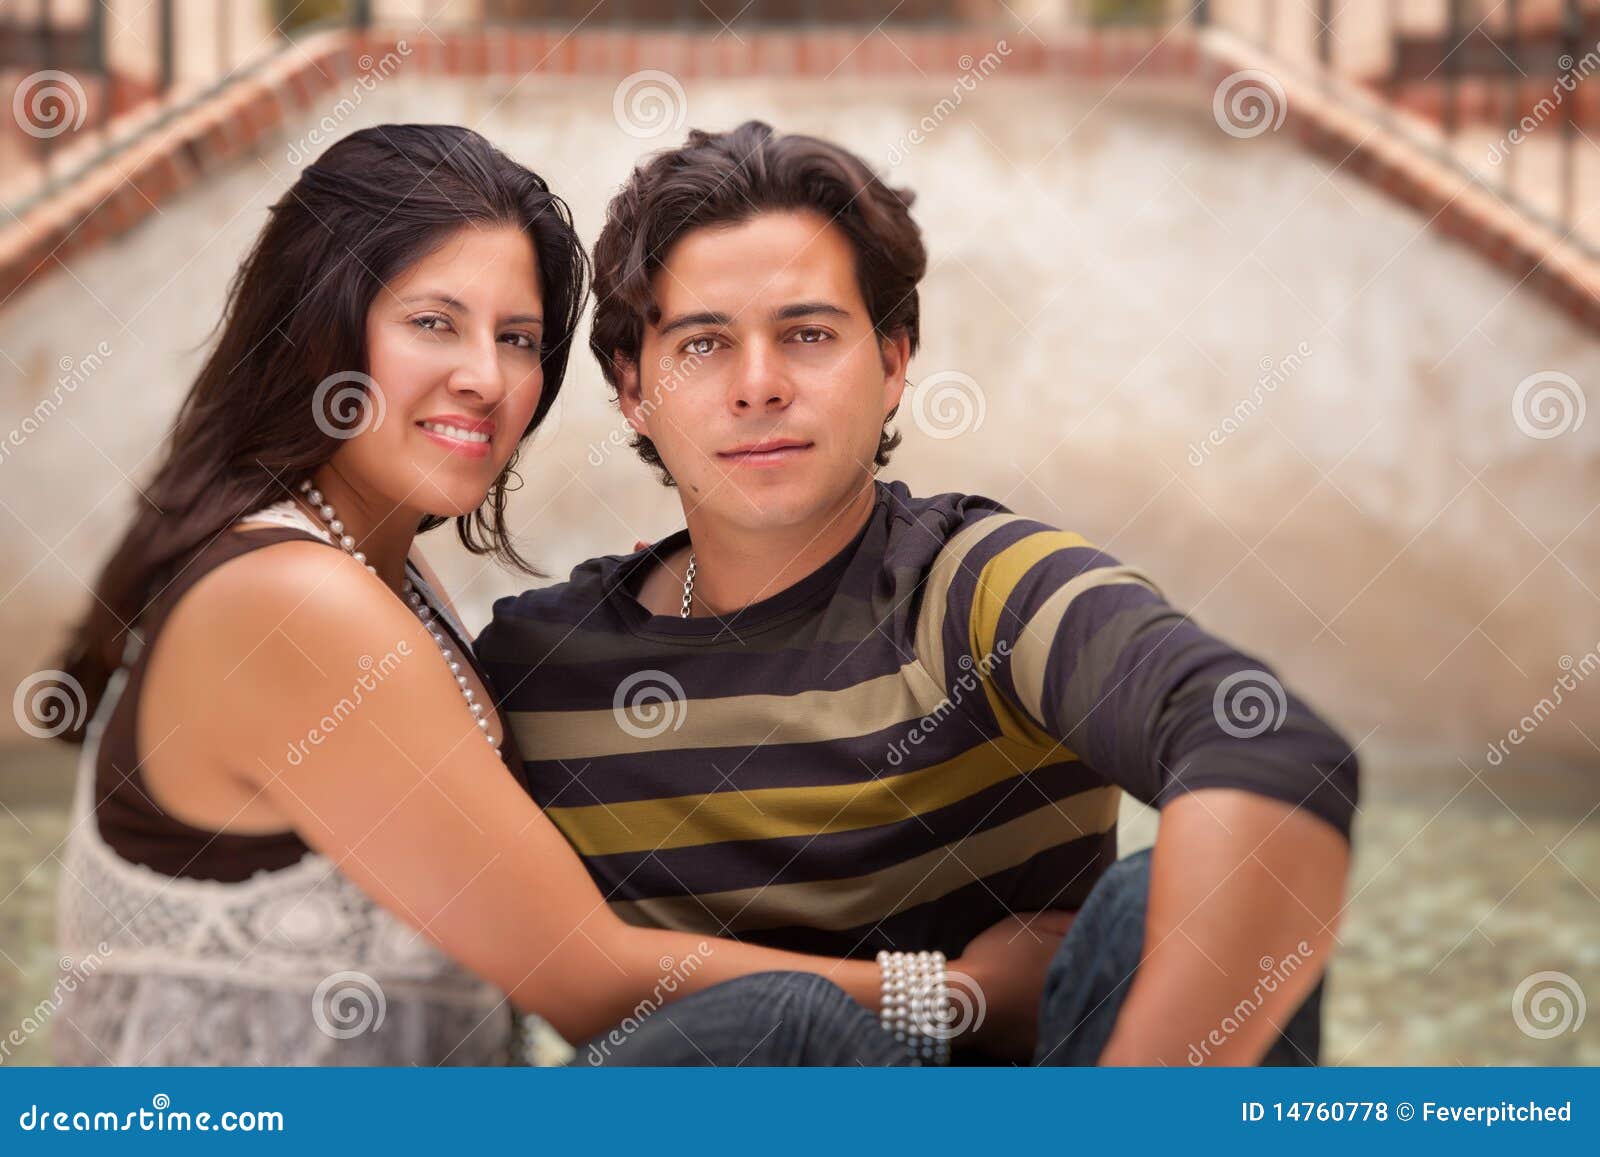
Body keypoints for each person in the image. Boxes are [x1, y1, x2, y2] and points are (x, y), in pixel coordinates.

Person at [49, 123, 1061, 1067]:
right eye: (433, 323)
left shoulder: (377, 571)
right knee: (780, 1025)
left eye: (519, 339)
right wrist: (962, 991)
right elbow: (584, 979)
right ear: (317, 329)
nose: (485, 378)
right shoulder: (291, 600)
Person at [475, 121, 1359, 1066]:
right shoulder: (541, 673)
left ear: (894, 362)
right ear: (632, 389)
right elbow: (547, 972)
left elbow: (1270, 744)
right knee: (775, 1025)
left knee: (1159, 907)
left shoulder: (976, 588)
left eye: (808, 333)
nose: (759, 385)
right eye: (702, 345)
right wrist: (951, 999)